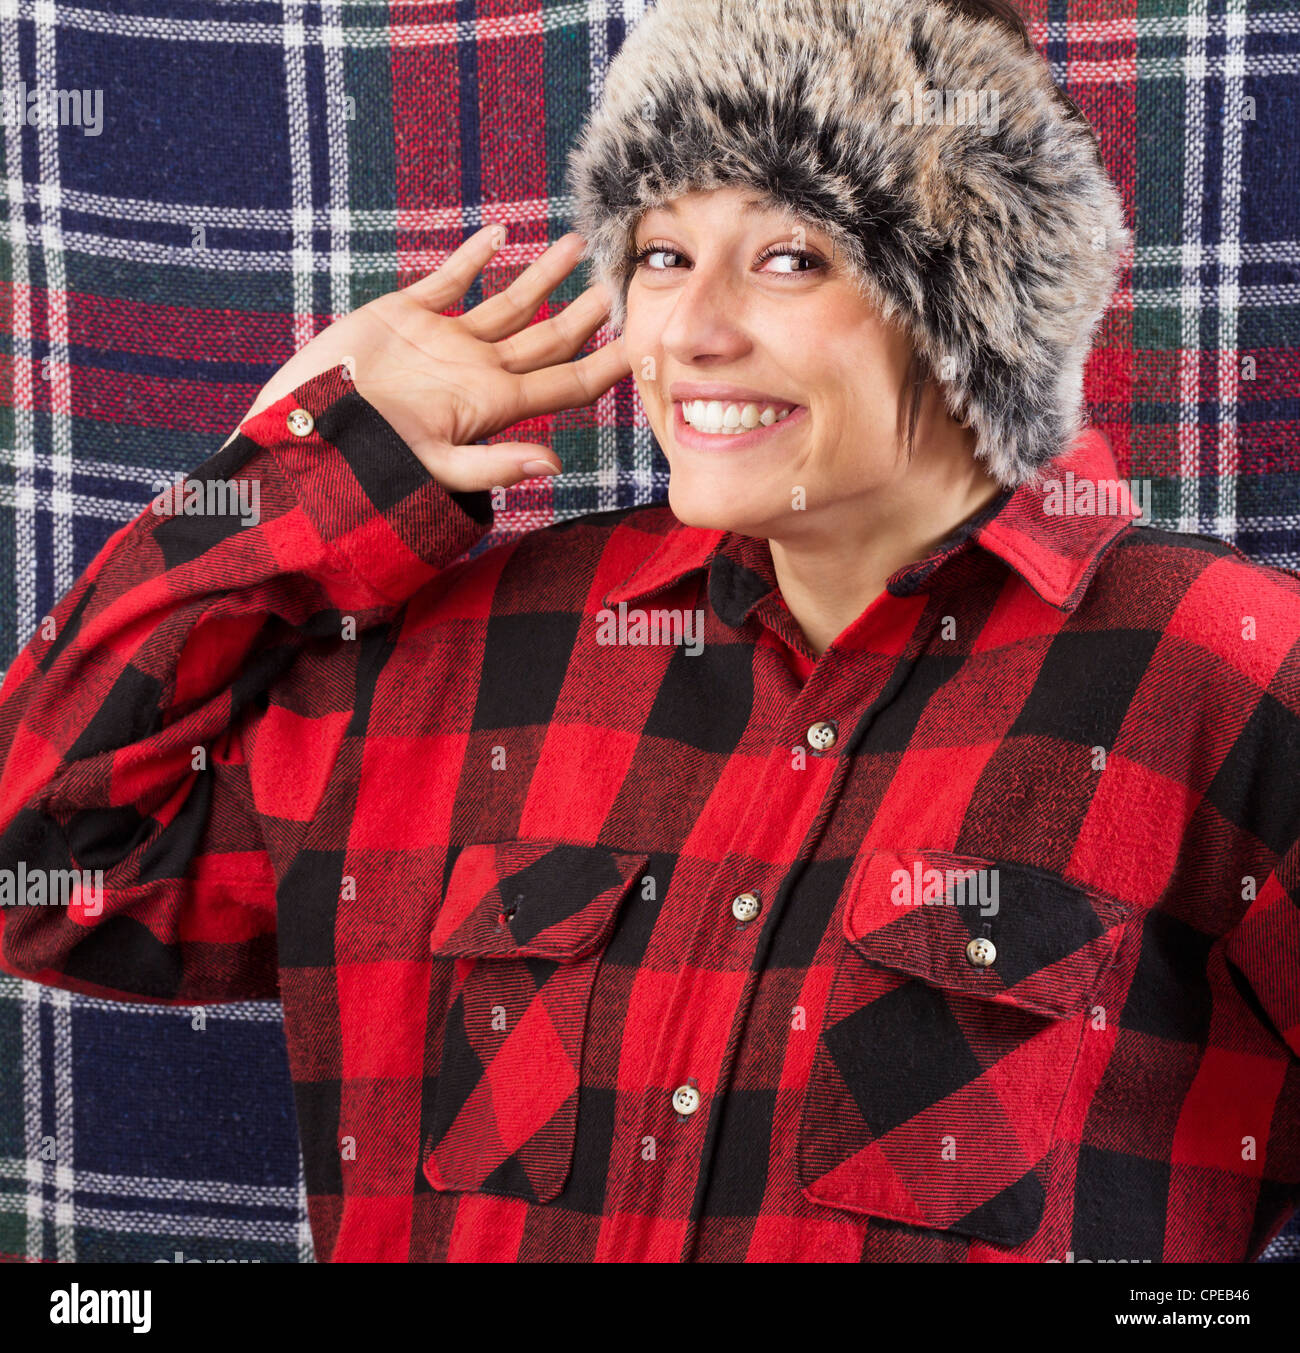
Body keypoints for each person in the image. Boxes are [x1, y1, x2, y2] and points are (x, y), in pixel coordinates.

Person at [0, 0, 1296, 1264]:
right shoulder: (470, 660)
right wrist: (305, 459)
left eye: (791, 254)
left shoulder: (1224, 678)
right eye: (664, 253)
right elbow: (40, 862)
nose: (692, 330)